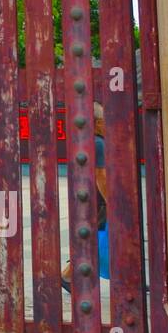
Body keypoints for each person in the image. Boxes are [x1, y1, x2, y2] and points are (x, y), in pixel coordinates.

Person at [62, 101, 108, 292]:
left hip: (86, 198)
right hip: (97, 200)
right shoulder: (98, 143)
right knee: (93, 240)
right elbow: (100, 175)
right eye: (104, 120)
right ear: (97, 122)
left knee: (91, 239)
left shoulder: (88, 141)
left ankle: (68, 276)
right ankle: (67, 275)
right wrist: (110, 201)